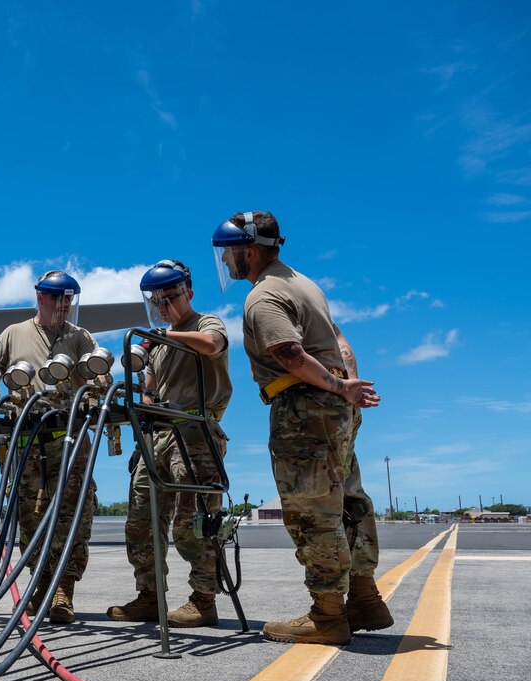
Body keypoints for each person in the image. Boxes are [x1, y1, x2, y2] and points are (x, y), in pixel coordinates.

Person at [212, 211, 392, 644]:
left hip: (303, 410)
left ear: (249, 251)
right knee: (349, 502)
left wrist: (337, 387)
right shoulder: (304, 283)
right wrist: (346, 391)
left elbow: (289, 353)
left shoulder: (265, 295)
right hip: (333, 410)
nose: (228, 261)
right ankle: (364, 599)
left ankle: (327, 616)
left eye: (231, 252)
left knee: (312, 511)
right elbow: (340, 340)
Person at [106, 260, 233, 627]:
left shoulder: (204, 324)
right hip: (158, 436)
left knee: (194, 522)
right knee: (141, 522)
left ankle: (203, 600)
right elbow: (150, 388)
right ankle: (149, 596)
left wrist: (164, 335)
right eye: (157, 301)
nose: (163, 307)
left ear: (188, 293)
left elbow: (212, 345)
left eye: (170, 297)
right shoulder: (155, 348)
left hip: (195, 433)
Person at [0, 270, 100, 624]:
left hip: (69, 440)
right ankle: (39, 584)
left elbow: (99, 378)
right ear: (40, 298)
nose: (65, 307)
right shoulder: (12, 335)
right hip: (26, 442)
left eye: (69, 301)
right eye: (59, 300)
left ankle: (63, 590)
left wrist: (97, 379)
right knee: (29, 516)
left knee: (72, 515)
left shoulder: (79, 337)